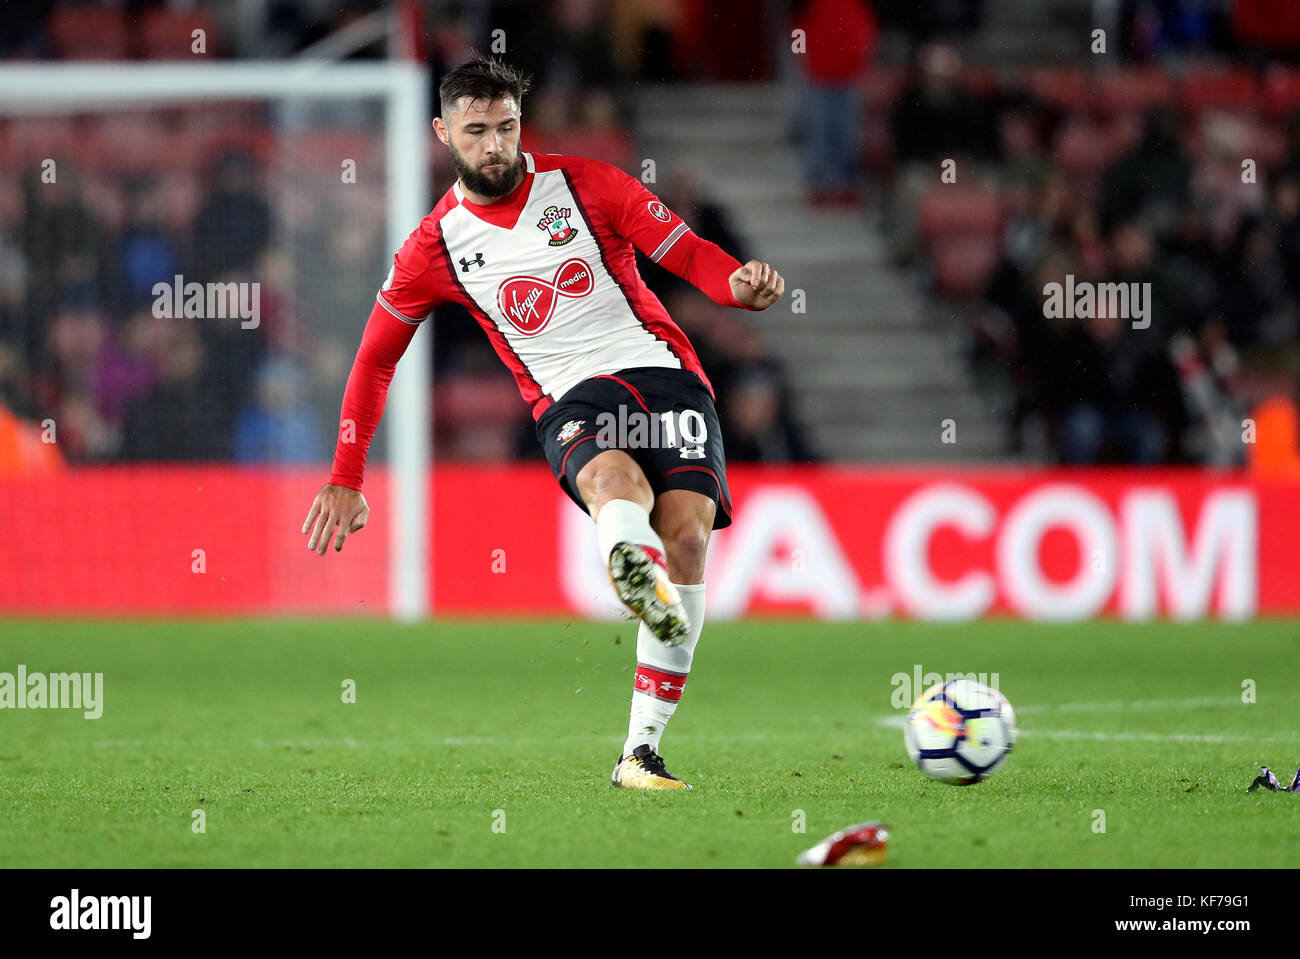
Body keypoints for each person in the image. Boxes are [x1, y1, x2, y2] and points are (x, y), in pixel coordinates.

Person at [300, 55, 785, 790]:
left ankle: (639, 751)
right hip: (569, 396)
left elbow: (685, 252)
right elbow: (373, 360)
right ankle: (630, 560)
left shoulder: (587, 184)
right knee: (612, 478)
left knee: (687, 536)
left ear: (521, 123)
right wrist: (346, 475)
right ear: (443, 133)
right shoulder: (433, 247)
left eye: (505, 127)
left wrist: (737, 285)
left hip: (667, 374)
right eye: (476, 132)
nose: (494, 145)